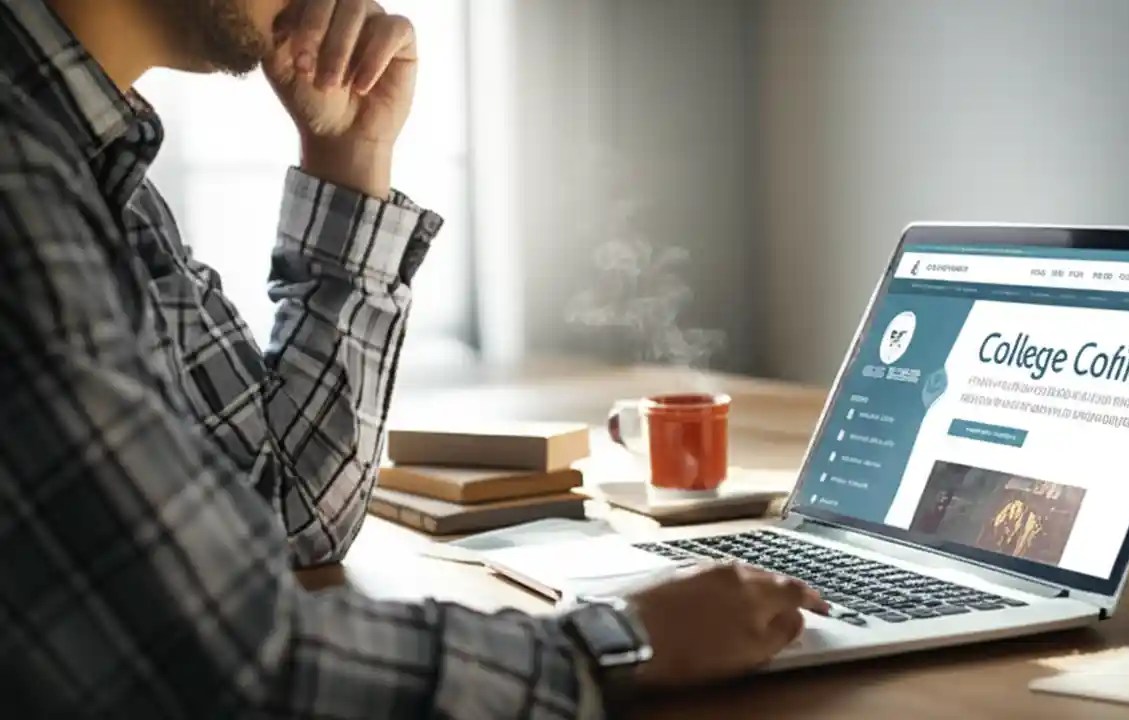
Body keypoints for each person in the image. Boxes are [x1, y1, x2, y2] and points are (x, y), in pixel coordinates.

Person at [0, 0, 828, 716]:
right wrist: (620, 642)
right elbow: (223, 671)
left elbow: (288, 509)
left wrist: (350, 158)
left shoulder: (90, 163)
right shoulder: (20, 175)